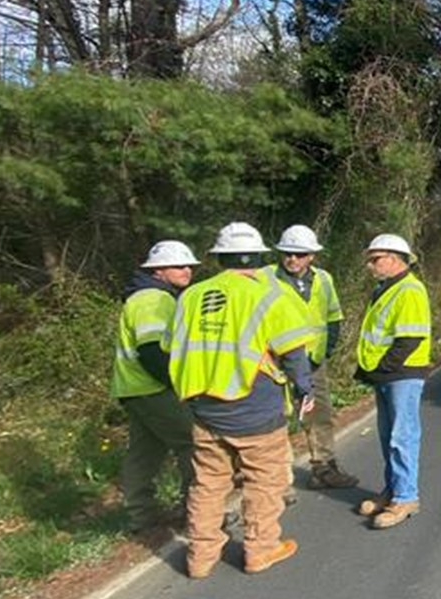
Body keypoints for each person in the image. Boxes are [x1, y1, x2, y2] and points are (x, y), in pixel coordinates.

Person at [168, 223, 315, 577]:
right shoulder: (268, 295)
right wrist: (303, 388)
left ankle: (200, 557)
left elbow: (170, 347)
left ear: (219, 258)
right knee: (264, 480)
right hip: (253, 404)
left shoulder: (190, 297)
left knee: (208, 482)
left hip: (203, 406)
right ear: (259, 257)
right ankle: (260, 550)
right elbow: (294, 350)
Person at [112, 240, 199, 533]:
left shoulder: (144, 295)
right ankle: (196, 514)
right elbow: (152, 352)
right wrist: (180, 384)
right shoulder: (154, 299)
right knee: (193, 443)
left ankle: (142, 517)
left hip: (133, 389)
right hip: (152, 388)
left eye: (189, 265)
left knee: (144, 452)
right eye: (179, 265)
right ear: (159, 270)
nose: (187, 270)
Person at [265, 225, 361, 491]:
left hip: (312, 363)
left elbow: (333, 319)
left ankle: (324, 469)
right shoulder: (264, 279)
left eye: (299, 254)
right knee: (273, 420)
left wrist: (323, 353)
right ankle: (279, 483)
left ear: (311, 256)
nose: (292, 259)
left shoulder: (323, 280)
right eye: (287, 253)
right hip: (272, 364)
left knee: (319, 415)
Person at [352, 234, 433, 530]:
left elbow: (409, 338)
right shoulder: (386, 289)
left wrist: (383, 368)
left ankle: (406, 496)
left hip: (402, 374)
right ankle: (393, 490)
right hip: (388, 374)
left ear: (395, 258)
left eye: (376, 259)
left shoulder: (410, 290)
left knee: (402, 437)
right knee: (388, 437)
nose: (371, 265)